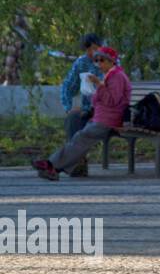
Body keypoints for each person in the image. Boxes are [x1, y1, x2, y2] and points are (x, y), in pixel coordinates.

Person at [33, 46, 131, 181]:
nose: (98, 64)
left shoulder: (117, 76)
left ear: (111, 61)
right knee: (79, 136)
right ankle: (54, 167)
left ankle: (52, 165)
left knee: (82, 137)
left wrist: (98, 84)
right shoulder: (111, 75)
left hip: (110, 119)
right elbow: (100, 99)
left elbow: (112, 101)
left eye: (102, 60)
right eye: (96, 61)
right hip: (102, 117)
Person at [58, 33, 102, 177]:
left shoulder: (110, 62)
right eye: (88, 49)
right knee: (73, 118)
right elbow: (68, 86)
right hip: (88, 109)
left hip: (107, 109)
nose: (91, 53)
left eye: (95, 49)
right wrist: (68, 107)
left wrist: (97, 82)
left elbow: (116, 89)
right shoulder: (82, 63)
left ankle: (73, 162)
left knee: (85, 118)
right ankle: (78, 163)